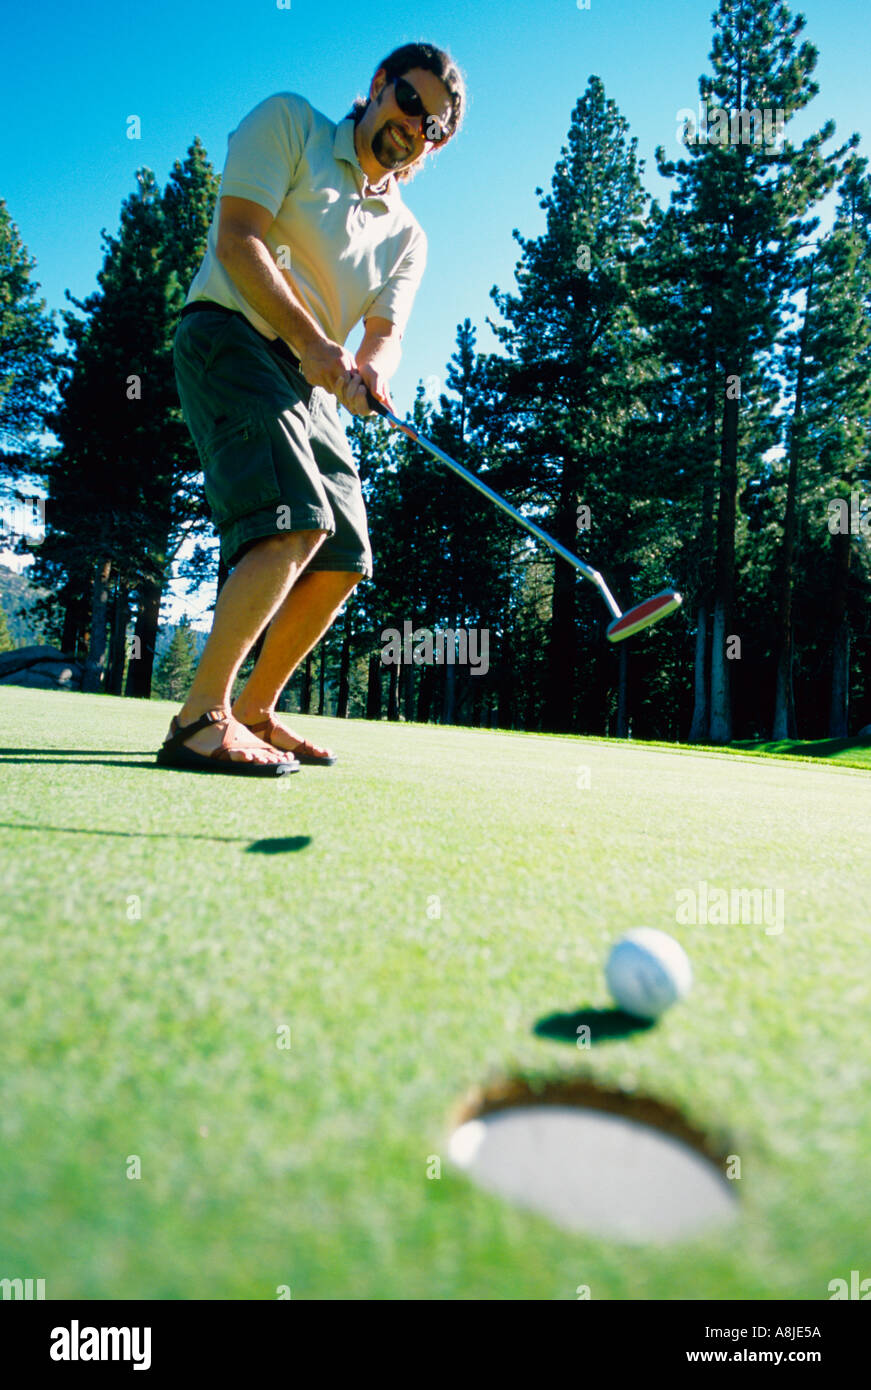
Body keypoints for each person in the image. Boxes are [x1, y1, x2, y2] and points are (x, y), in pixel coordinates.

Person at [158, 42, 465, 775]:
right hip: (231, 333)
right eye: (409, 100)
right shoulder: (290, 121)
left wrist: (370, 374)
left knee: (344, 553)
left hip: (309, 378)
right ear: (377, 86)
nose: (415, 124)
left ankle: (256, 708)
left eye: (435, 125)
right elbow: (238, 240)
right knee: (295, 520)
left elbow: (384, 335)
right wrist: (318, 345)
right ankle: (200, 718)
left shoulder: (408, 236)